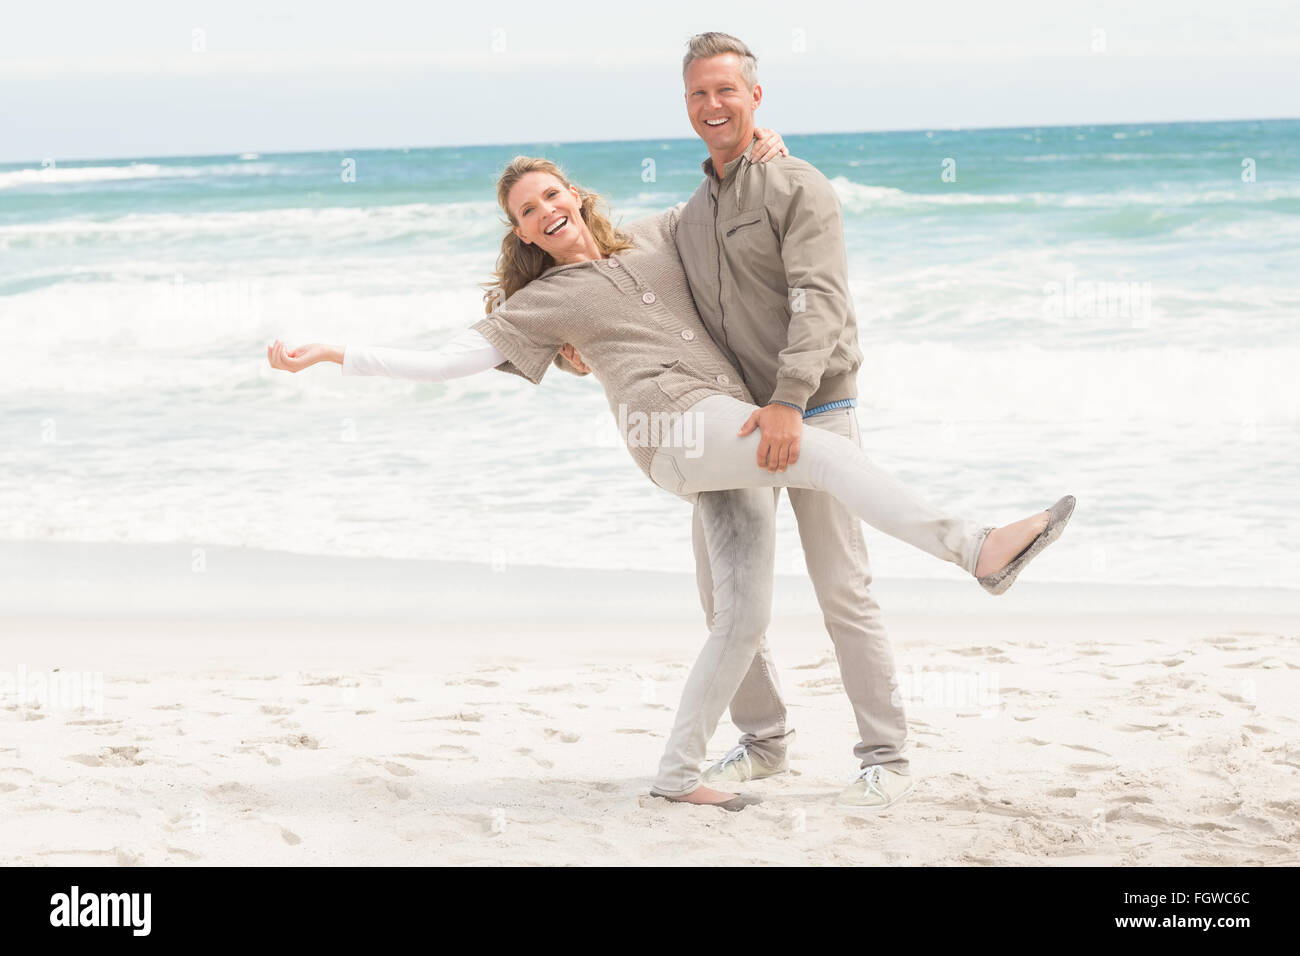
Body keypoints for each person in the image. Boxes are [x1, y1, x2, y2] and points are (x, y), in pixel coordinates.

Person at [266, 154, 1075, 811]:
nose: (545, 210)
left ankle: (679, 774)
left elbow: (722, 202)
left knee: (739, 614)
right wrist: (340, 353)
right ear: (521, 233)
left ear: (574, 197)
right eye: (525, 210)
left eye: (550, 193)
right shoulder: (542, 303)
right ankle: (975, 548)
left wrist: (769, 157)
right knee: (819, 455)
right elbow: (446, 361)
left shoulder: (654, 238)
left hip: (723, 427)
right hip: (677, 436)